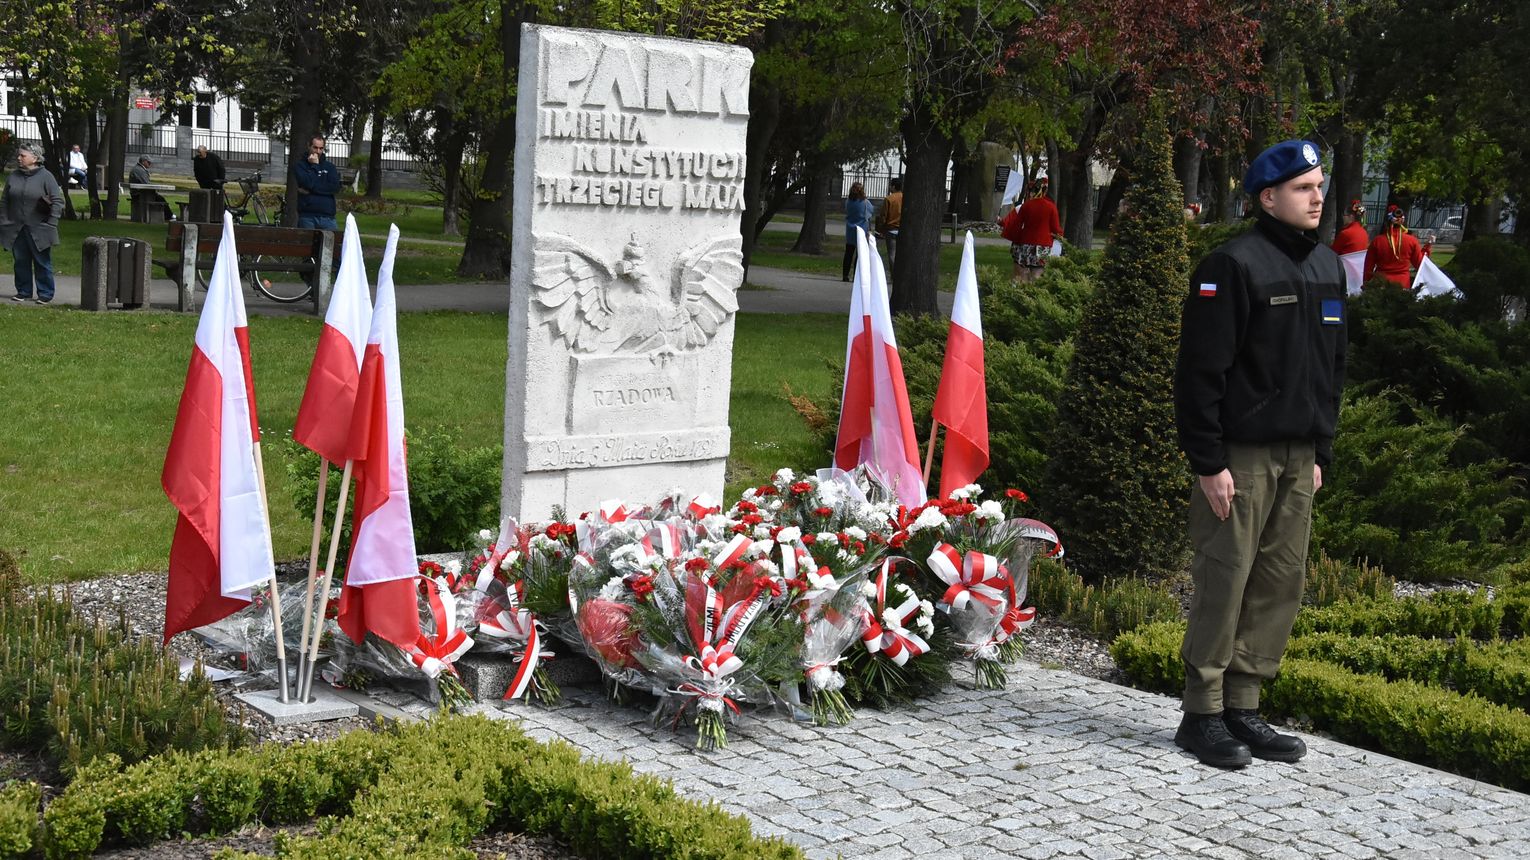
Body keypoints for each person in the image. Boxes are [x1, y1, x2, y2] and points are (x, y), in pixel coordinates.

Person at [1172, 139, 1347, 769]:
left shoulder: (1327, 267)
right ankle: (1203, 713)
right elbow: (1200, 373)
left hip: (1300, 455)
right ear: (1267, 197)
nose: (1317, 197)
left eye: (1319, 186)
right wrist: (1208, 461)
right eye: (1304, 188)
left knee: (1279, 582)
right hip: (1239, 458)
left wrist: (1321, 449)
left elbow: (1332, 367)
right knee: (1227, 579)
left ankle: (1244, 706)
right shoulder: (1232, 265)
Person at [1, 143, 65, 304]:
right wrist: (4, 220)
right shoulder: (14, 176)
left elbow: (57, 201)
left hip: (39, 227)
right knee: (20, 261)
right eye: (19, 155)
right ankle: (23, 291)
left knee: (42, 261)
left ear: (35, 158)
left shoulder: (46, 176)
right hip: (16, 227)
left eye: (22, 155)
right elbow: (5, 201)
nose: (19, 158)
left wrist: (52, 223)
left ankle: (45, 293)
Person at [1007, 178, 1062, 283]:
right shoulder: (1051, 207)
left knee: (1022, 276)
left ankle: (1023, 295)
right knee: (1038, 274)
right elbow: (1055, 229)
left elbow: (1017, 225)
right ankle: (1035, 296)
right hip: (1044, 246)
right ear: (1045, 191)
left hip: (1026, 244)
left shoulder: (1027, 205)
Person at [1363, 204, 1423, 288]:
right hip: (1402, 284)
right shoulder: (1412, 241)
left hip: (1381, 283)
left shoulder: (1377, 241)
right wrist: (1427, 248)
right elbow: (1420, 264)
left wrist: (1366, 283)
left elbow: (1368, 267)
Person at [292, 136, 341, 231]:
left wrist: (311, 189)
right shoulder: (300, 166)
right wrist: (315, 165)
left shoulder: (330, 167)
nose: (318, 151)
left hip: (328, 217)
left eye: (321, 148)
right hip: (307, 216)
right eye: (315, 147)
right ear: (309, 146)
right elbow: (307, 183)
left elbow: (335, 188)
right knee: (307, 245)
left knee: (330, 245)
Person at [842, 181, 874, 282]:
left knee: (848, 253)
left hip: (850, 229)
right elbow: (870, 213)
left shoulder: (848, 201)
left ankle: (845, 275)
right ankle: (856, 275)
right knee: (859, 254)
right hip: (862, 229)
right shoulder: (865, 203)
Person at [127, 156, 174, 222]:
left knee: (159, 198)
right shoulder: (139, 170)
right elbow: (146, 183)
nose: (150, 164)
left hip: (139, 193)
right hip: (139, 194)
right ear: (143, 162)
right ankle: (169, 216)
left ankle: (168, 215)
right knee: (160, 198)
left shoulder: (139, 169)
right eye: (148, 162)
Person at [874, 177, 903, 275]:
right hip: (902, 229)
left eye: (890, 185)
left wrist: (881, 229)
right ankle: (900, 273)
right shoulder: (904, 197)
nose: (889, 187)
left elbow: (883, 215)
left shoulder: (889, 199)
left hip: (891, 229)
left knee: (892, 254)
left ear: (894, 187)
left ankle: (894, 274)